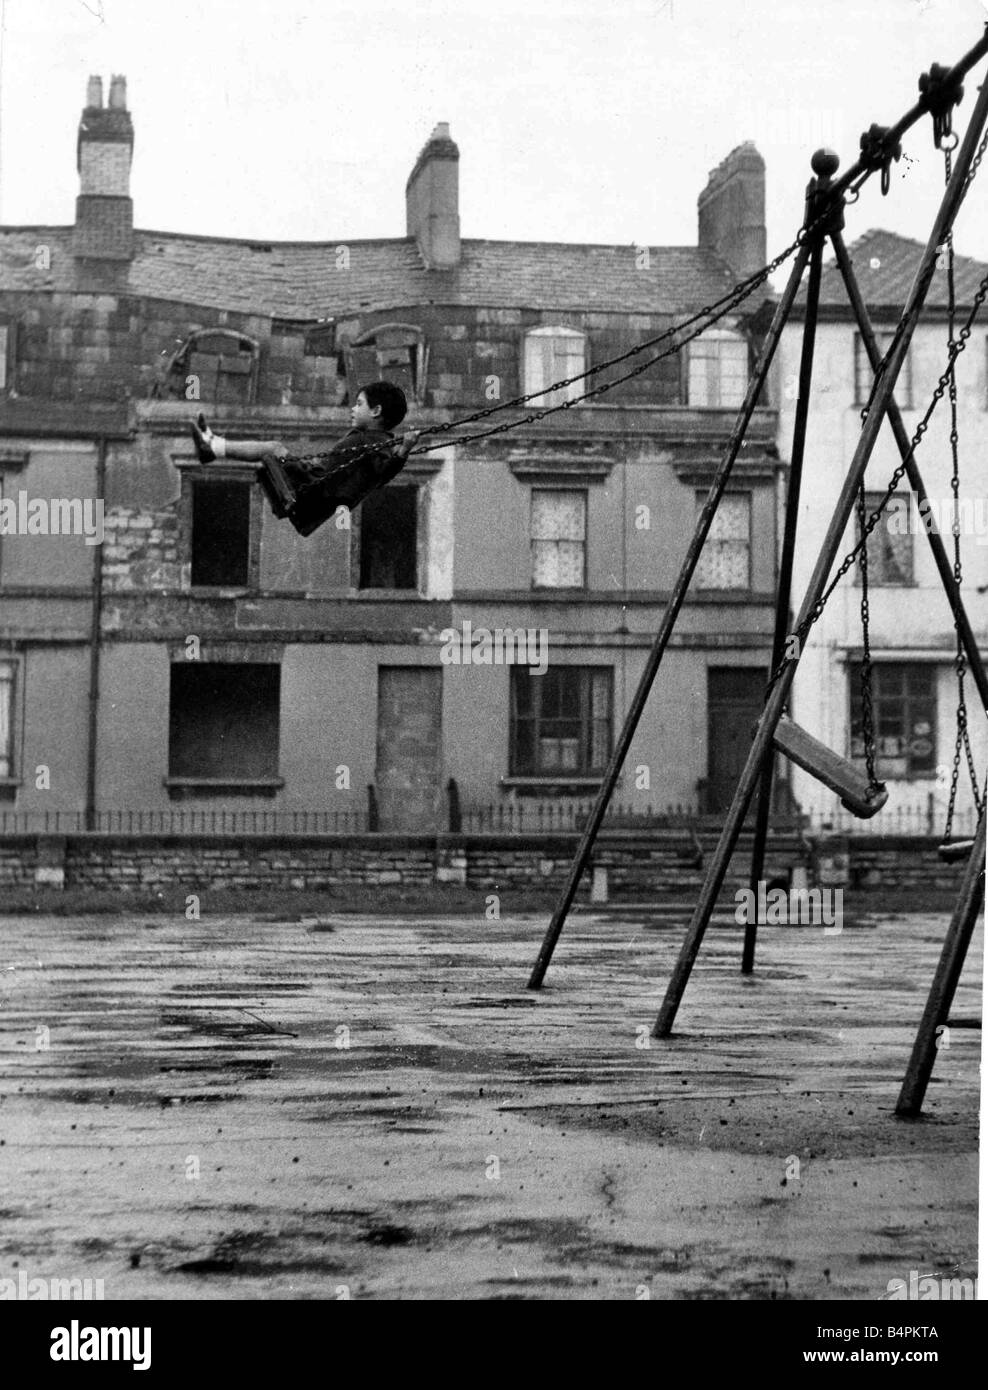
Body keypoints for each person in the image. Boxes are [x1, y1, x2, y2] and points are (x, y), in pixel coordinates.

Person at [190, 380, 421, 536]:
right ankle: (212, 442)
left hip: (313, 486)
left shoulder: (377, 441)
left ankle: (212, 447)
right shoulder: (371, 437)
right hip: (313, 482)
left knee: (272, 449)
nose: (352, 408)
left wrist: (405, 450)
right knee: (269, 457)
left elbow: (382, 473)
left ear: (376, 411)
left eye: (359, 404)